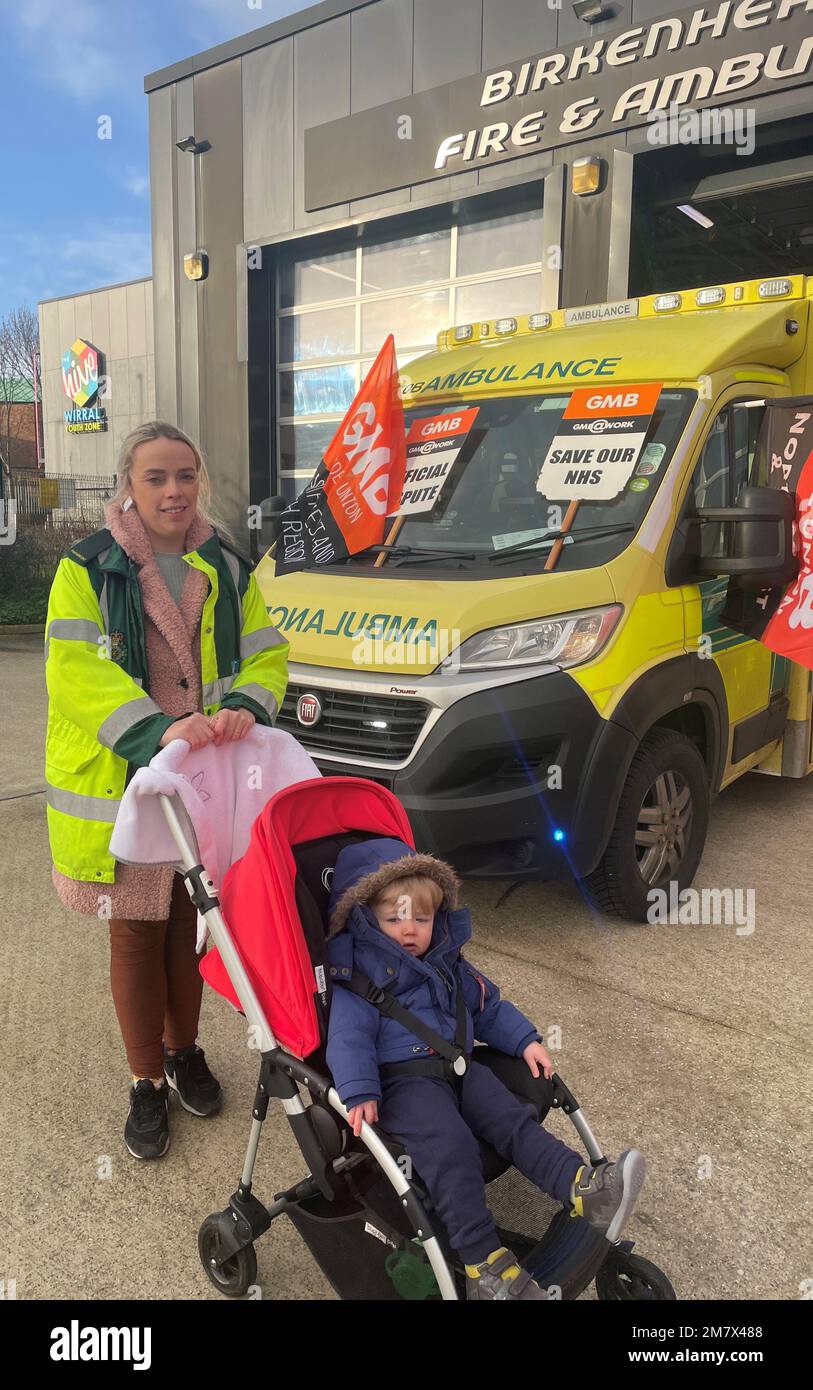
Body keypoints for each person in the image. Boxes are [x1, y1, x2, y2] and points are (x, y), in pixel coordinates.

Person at [44, 421, 289, 1160]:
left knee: (192, 925)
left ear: (199, 481)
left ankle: (186, 1053)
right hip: (127, 782)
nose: (173, 490)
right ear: (129, 483)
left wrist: (250, 701)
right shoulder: (86, 568)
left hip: (201, 785)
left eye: (184, 475)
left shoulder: (228, 564)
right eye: (155, 477)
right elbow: (75, 672)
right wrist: (157, 732)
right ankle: (146, 1080)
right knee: (135, 932)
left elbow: (266, 651)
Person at [326, 838, 646, 1301]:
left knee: (511, 1118)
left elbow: (486, 1005)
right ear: (366, 916)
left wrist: (525, 1040)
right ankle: (485, 1269)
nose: (408, 929)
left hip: (459, 1066)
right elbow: (348, 1036)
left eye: (421, 917)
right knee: (451, 1146)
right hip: (402, 1084)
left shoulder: (447, 961)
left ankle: (584, 1190)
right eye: (394, 918)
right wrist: (358, 1089)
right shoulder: (360, 976)